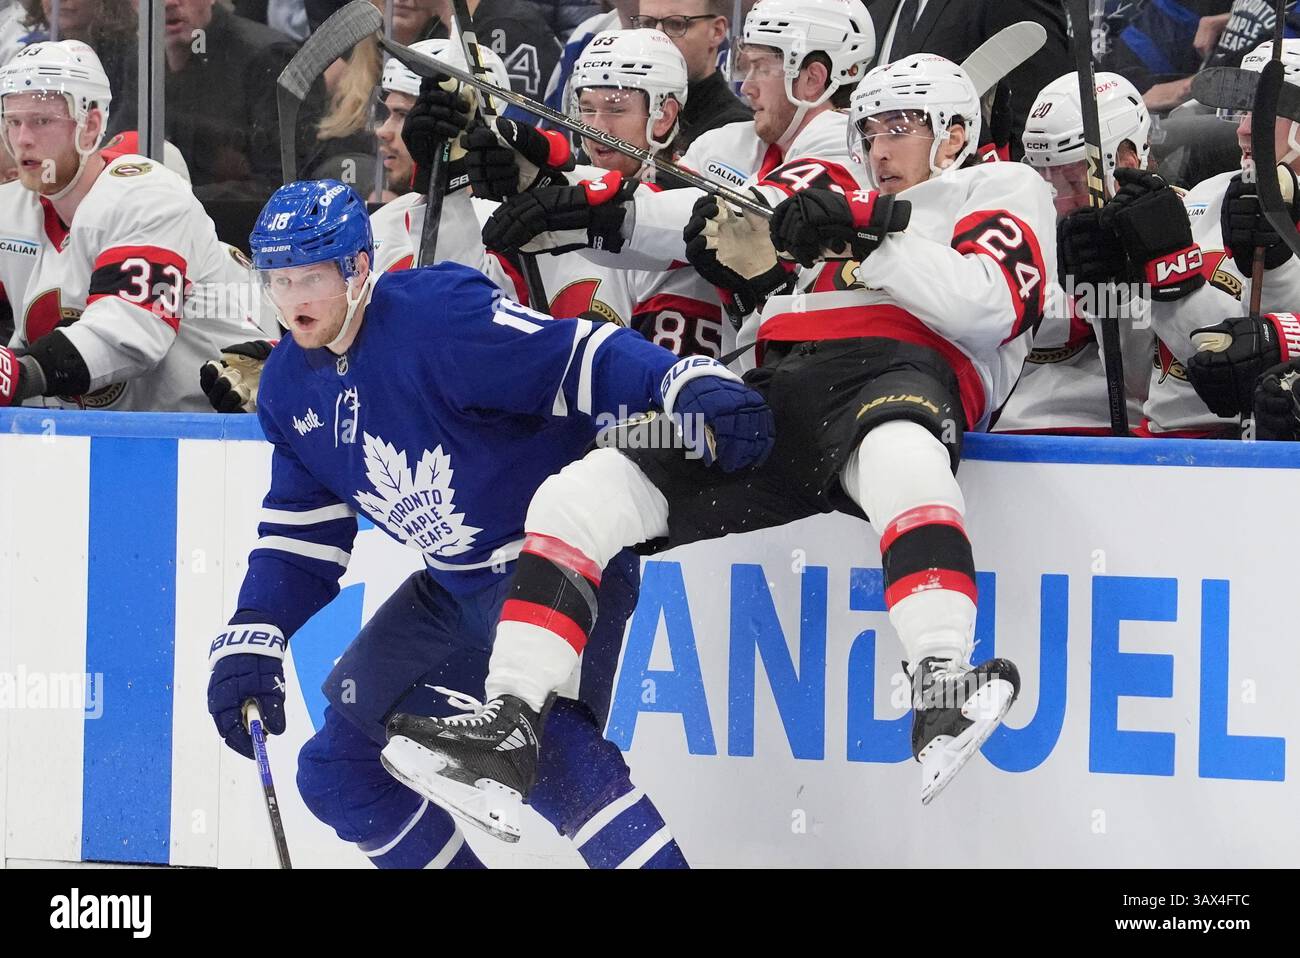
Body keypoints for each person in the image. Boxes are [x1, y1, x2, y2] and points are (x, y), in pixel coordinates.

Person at [380, 49, 1051, 835]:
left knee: (904, 458)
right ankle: (511, 724)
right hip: (780, 379)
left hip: (899, 369)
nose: (878, 147)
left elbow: (986, 305)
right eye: (868, 130)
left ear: (955, 133)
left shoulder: (998, 186)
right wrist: (568, 195)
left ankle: (941, 679)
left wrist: (868, 240)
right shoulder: (834, 191)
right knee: (578, 494)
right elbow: (703, 212)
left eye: (899, 127)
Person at [205, 177, 769, 863]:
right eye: (279, 280)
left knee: (558, 764)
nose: (293, 299)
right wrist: (256, 626)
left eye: (311, 278)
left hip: (550, 569)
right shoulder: (289, 386)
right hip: (449, 592)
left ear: (358, 267)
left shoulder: (435, 316)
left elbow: (573, 353)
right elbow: (303, 534)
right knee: (339, 774)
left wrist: (676, 379)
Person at [0, 40, 264, 412]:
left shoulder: (148, 197)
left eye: (42, 121)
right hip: (74, 435)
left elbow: (128, 332)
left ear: (90, 126)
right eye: (14, 121)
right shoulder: (11, 207)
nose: (23, 138)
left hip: (191, 432)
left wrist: (19, 374)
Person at [1092, 40, 1300, 436]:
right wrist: (1117, 285)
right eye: (1243, 111)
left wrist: (1172, 275)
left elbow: (1254, 366)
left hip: (1255, 446)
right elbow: (1136, 381)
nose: (1243, 129)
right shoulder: (1203, 195)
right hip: (1159, 441)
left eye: (1264, 113)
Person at [994, 72, 1156, 435]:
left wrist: (1116, 287)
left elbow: (1147, 382)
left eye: (1072, 181)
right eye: (1044, 178)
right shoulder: (1023, 226)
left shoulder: (1181, 232)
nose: (1060, 203)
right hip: (996, 433)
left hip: (1106, 438)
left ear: (1127, 162)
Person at [630, 0, 752, 148]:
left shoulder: (734, 130)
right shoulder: (620, 111)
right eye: (647, 24)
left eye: (676, 24)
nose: (657, 38)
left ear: (717, 31)